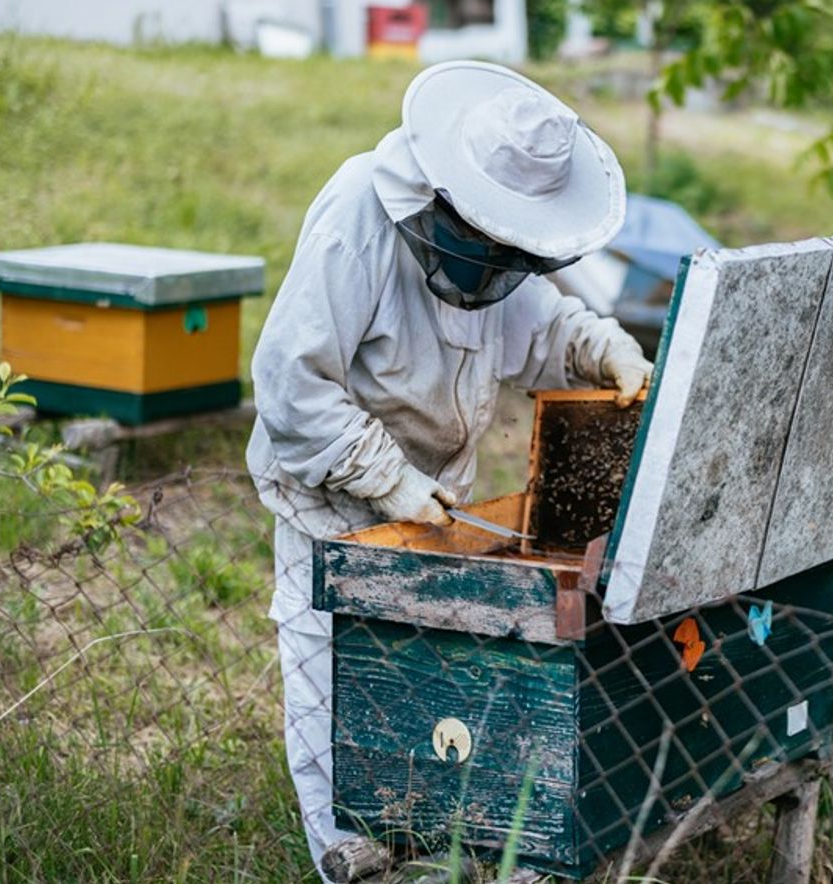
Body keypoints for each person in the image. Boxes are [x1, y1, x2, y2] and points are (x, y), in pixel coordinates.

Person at [245, 60, 651, 878]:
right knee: (333, 680)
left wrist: (598, 346)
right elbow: (290, 383)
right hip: (332, 506)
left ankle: (435, 839)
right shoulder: (357, 216)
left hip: (435, 509)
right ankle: (347, 850)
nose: (496, 266)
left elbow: (538, 325)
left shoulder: (501, 257)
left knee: (431, 689)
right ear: (445, 199)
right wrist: (382, 475)